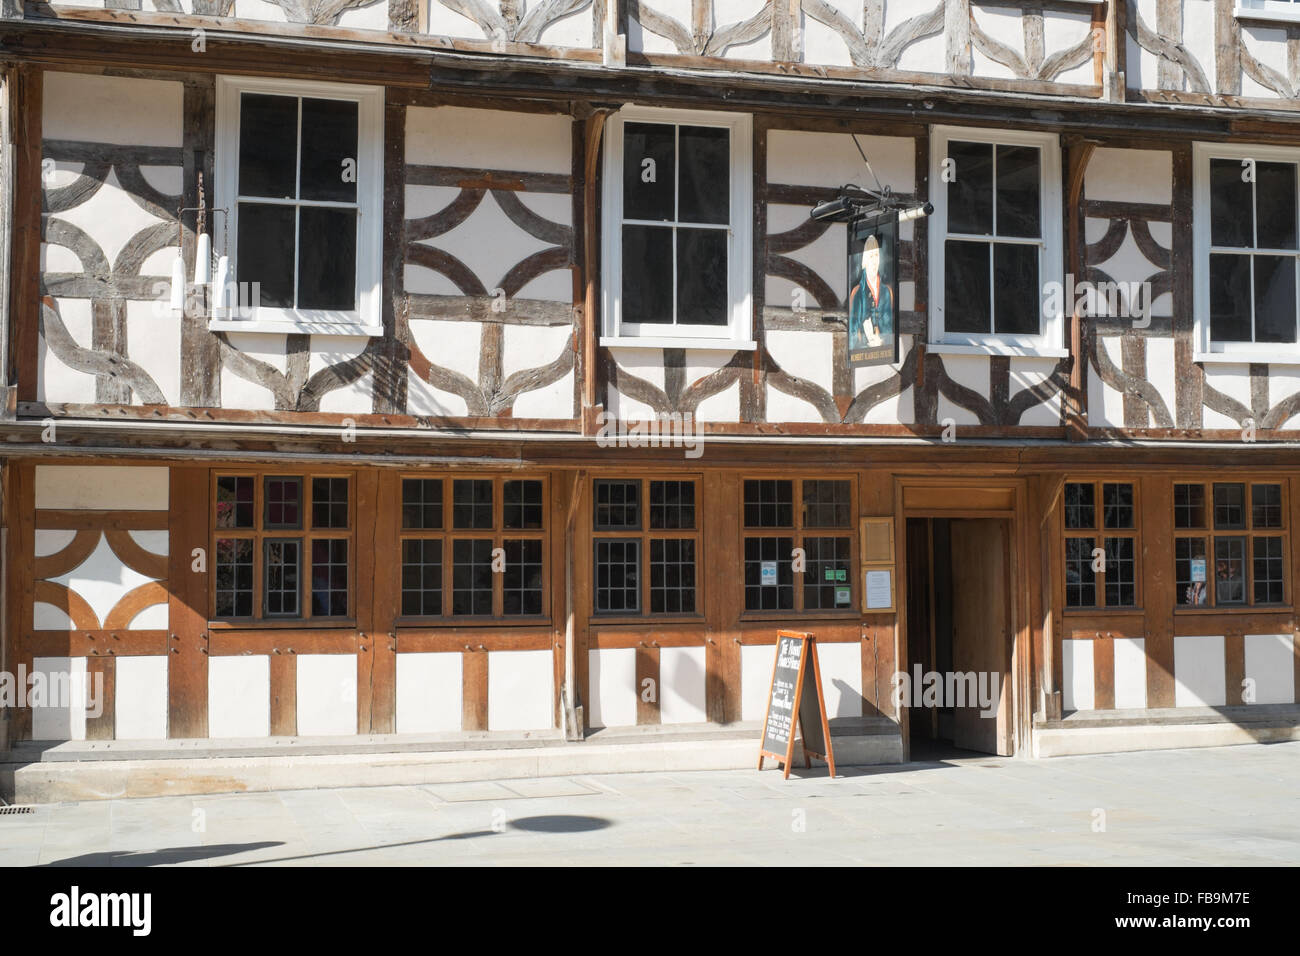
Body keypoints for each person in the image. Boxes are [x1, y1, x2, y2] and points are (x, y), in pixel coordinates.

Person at [848, 232, 892, 351]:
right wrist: (867, 342)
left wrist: (881, 340)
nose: (874, 261)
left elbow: (889, 327)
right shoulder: (857, 292)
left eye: (876, 255)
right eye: (871, 256)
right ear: (865, 260)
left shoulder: (886, 292)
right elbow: (852, 332)